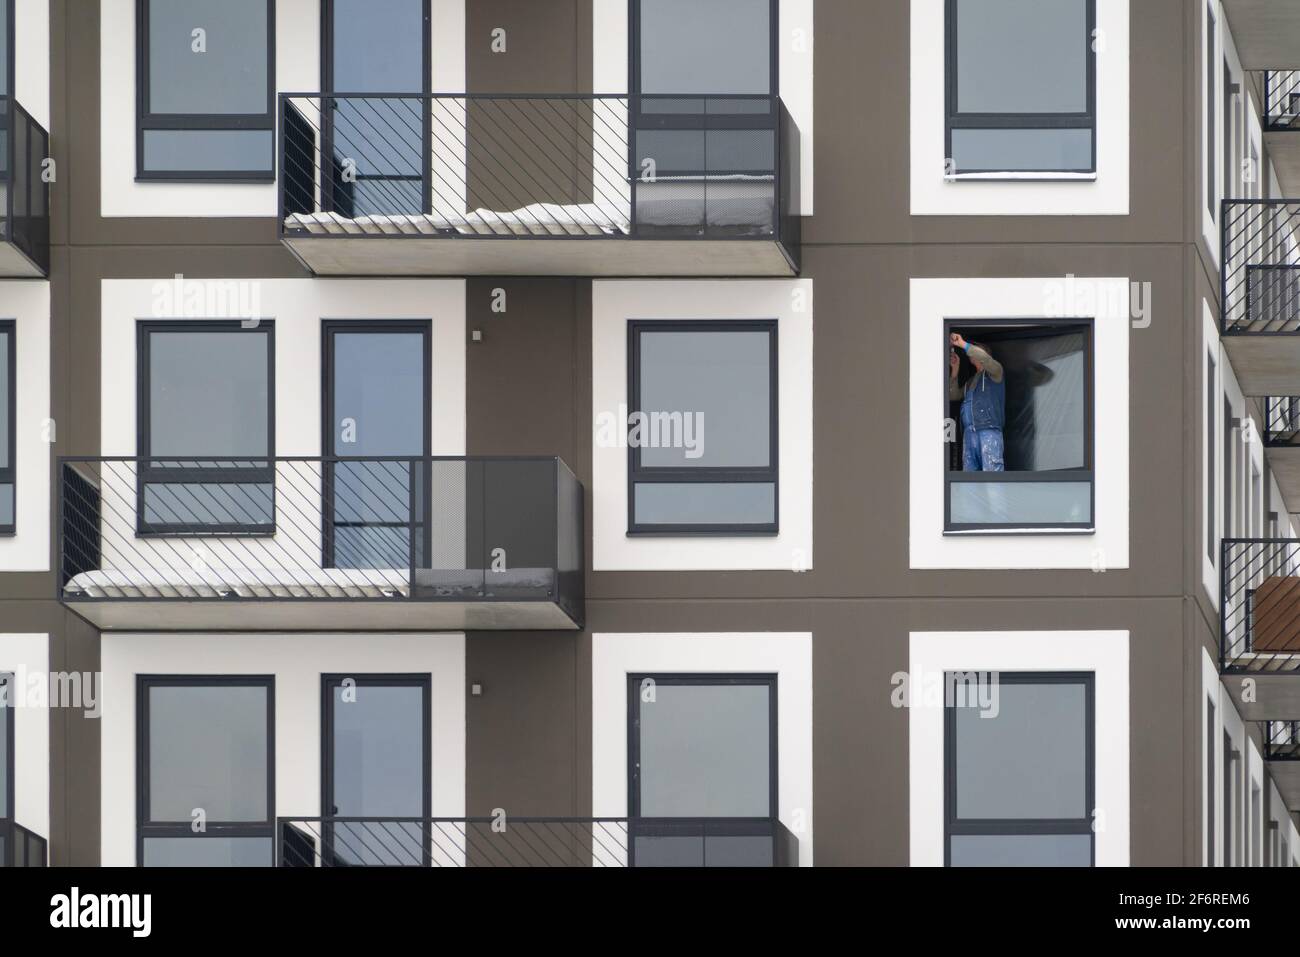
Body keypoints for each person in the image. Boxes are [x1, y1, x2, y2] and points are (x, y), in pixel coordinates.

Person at [949, 333, 1005, 472]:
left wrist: (963, 345)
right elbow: (953, 395)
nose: (971, 351)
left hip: (988, 430)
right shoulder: (971, 381)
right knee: (969, 480)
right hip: (969, 433)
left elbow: (986, 359)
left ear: (984, 355)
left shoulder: (995, 372)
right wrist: (955, 372)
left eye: (975, 349)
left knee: (992, 475)